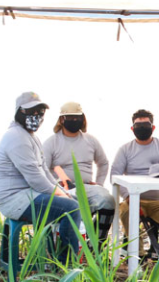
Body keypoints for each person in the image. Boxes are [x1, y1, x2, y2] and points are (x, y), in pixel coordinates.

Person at [0, 92, 82, 263]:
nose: (37, 116)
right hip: (14, 199)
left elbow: (45, 172)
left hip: (27, 194)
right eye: (31, 111)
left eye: (40, 112)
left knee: (73, 200)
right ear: (19, 112)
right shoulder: (16, 137)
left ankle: (63, 256)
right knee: (71, 208)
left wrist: (62, 191)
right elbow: (35, 179)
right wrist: (62, 195)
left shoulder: (30, 137)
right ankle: (67, 264)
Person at [111, 109, 159, 261]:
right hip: (134, 199)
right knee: (127, 213)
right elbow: (114, 175)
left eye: (146, 124)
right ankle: (136, 255)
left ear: (153, 127)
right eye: (138, 125)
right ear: (132, 129)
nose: (142, 128)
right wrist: (127, 196)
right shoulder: (125, 150)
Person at [43, 102, 115, 245]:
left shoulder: (91, 140)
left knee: (108, 200)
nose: (74, 121)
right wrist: (56, 187)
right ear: (62, 119)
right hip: (63, 188)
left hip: (87, 186)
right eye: (70, 117)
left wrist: (99, 184)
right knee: (70, 206)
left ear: (83, 118)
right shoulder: (51, 142)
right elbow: (42, 170)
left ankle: (96, 244)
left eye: (77, 117)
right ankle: (68, 247)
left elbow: (103, 163)